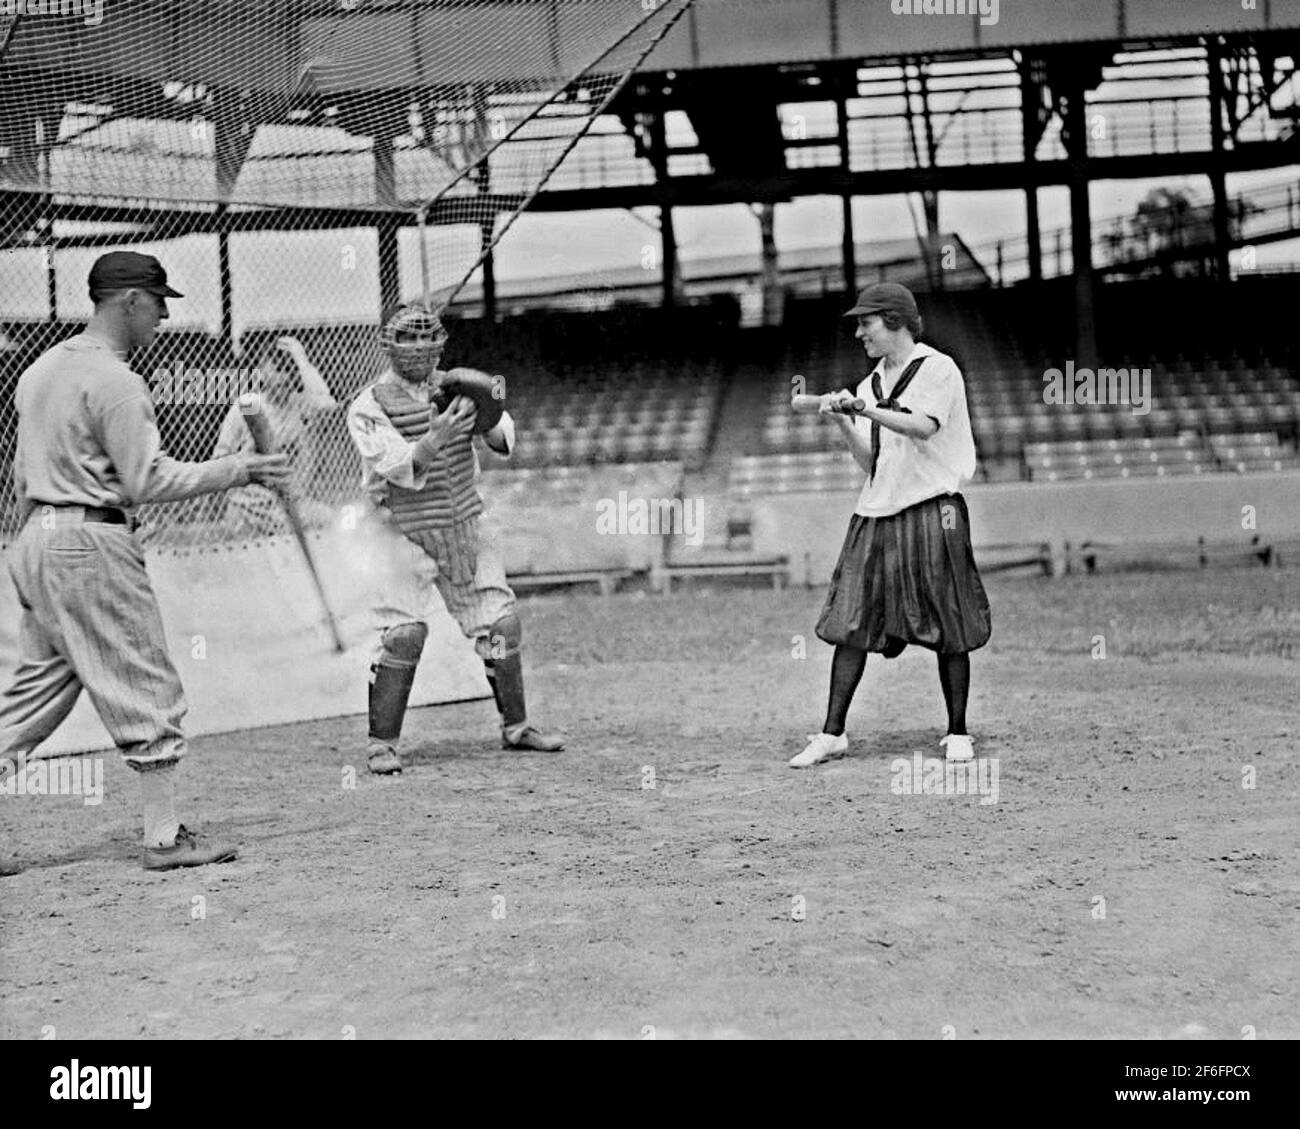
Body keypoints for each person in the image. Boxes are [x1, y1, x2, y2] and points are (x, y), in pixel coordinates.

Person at [0, 251, 291, 868]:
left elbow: (54, 474)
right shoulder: (118, 380)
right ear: (127, 299)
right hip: (87, 544)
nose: (163, 313)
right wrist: (242, 469)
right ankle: (164, 837)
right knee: (146, 680)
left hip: (34, 541)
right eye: (157, 300)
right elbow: (145, 478)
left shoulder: (40, 370)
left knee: (35, 696)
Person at [345, 302, 563, 776]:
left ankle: (516, 726)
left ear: (441, 342)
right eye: (408, 337)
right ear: (389, 345)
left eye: (427, 337)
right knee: (403, 634)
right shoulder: (366, 405)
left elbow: (505, 439)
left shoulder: (459, 385)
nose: (419, 347)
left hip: (462, 517)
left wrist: (481, 408)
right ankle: (382, 743)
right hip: (397, 527)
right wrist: (435, 434)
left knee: (502, 626)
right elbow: (399, 468)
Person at [790, 282, 991, 769]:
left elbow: (923, 427)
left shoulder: (939, 369)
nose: (860, 333)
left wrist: (867, 409)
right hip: (877, 510)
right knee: (850, 621)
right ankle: (832, 733)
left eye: (867, 322)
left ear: (896, 321)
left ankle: (958, 731)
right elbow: (871, 461)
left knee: (949, 618)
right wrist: (844, 417)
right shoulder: (867, 385)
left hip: (932, 508)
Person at [212, 333, 337, 535]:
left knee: (332, 521)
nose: (284, 378)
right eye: (278, 369)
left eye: (290, 370)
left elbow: (327, 405)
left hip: (291, 504)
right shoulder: (248, 405)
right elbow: (220, 454)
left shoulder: (299, 404)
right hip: (249, 507)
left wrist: (301, 359)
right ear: (261, 372)